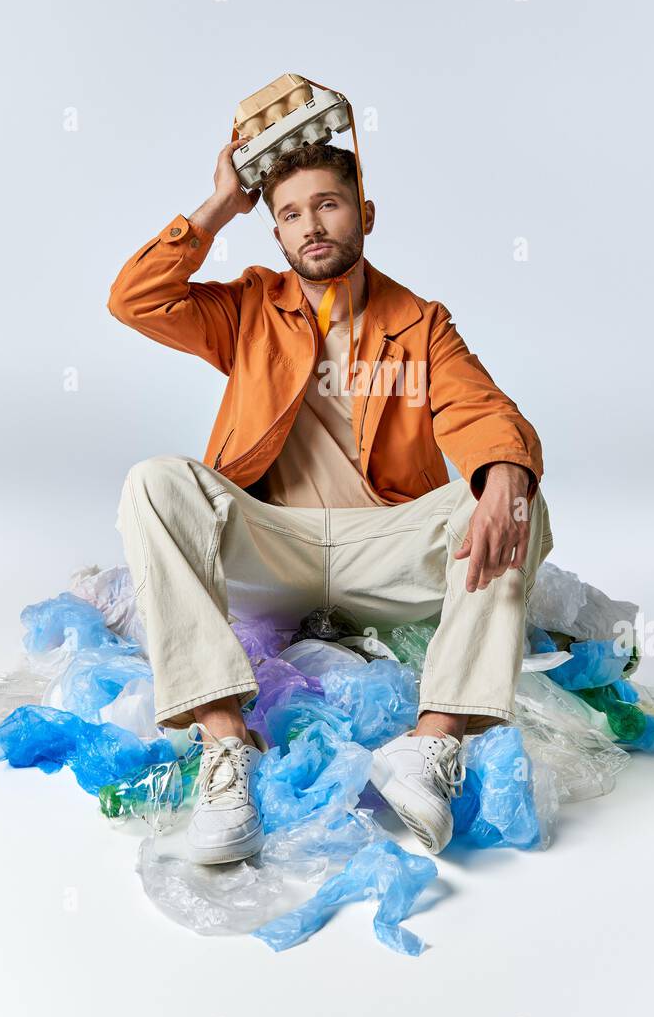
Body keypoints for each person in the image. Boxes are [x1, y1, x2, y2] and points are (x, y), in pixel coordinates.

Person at [107, 134, 553, 860]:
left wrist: (505, 471)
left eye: (327, 204)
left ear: (365, 214)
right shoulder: (250, 307)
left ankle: (431, 744)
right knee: (155, 479)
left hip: (383, 557)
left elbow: (483, 413)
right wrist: (221, 205)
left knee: (513, 492)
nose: (310, 225)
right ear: (275, 230)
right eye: (288, 214)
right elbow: (135, 300)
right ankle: (227, 747)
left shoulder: (421, 323)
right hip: (272, 547)